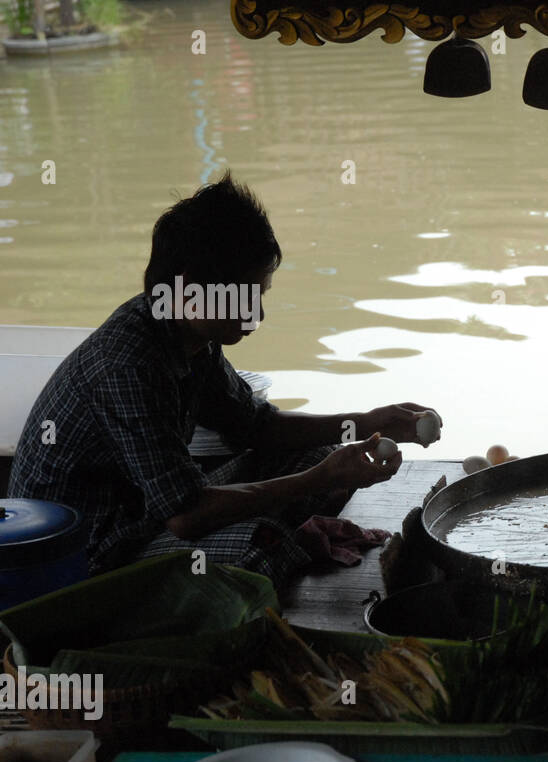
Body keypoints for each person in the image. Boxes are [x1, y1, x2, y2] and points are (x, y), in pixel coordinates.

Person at [8, 172, 441, 590]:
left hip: (147, 511)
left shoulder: (189, 334)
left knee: (316, 454)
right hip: (86, 557)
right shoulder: (128, 364)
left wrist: (366, 422)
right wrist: (322, 479)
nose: (257, 315)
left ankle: (286, 539)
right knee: (259, 545)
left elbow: (258, 426)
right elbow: (187, 514)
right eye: (245, 297)